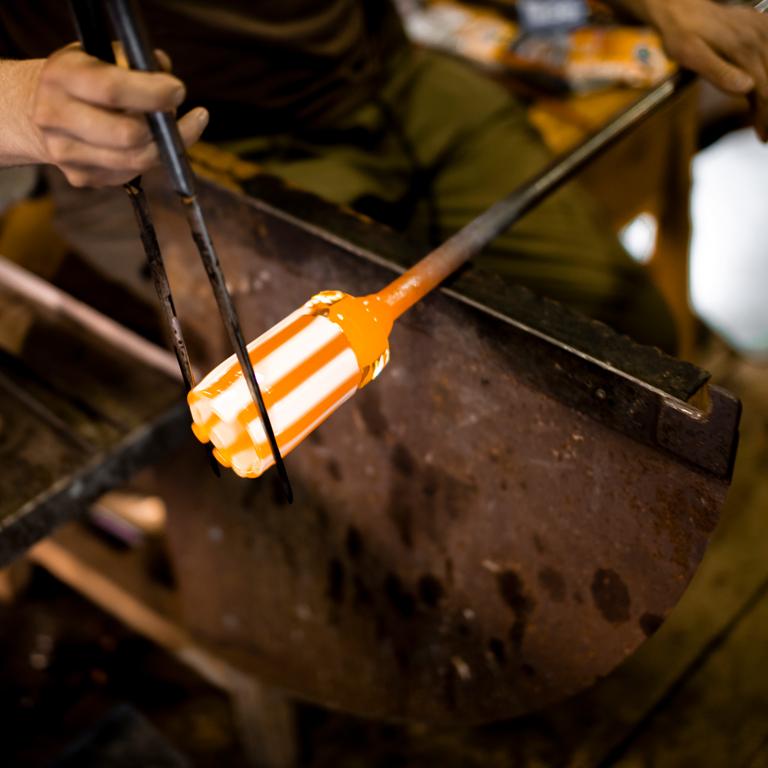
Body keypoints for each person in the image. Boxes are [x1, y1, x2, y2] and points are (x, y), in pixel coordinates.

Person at [0, 0, 766, 350]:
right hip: (199, 165)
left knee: (626, 344)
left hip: (393, 80)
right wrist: (25, 105)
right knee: (388, 416)